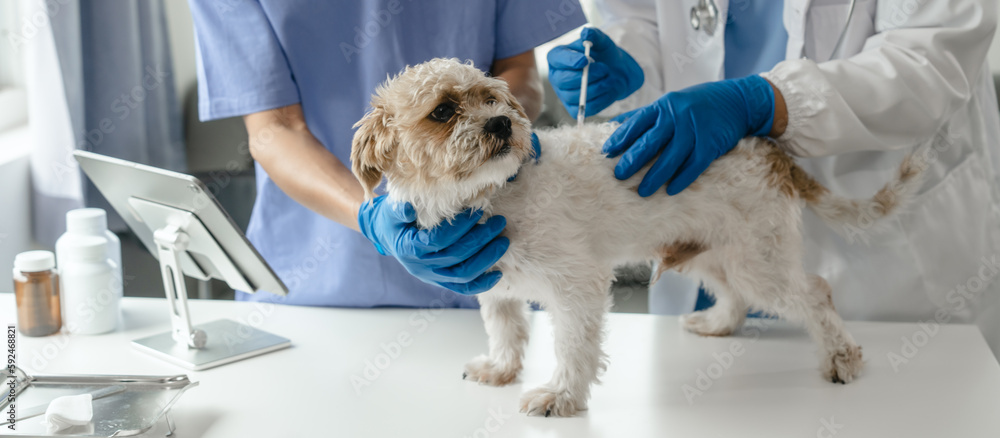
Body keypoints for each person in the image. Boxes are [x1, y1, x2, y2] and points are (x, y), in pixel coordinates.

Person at [548, 0, 1000, 354]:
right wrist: (627, 59)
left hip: (884, 269)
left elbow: (931, 56)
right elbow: (640, 14)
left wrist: (766, 101)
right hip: (705, 224)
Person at [188, 0, 586, 307]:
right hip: (312, 286)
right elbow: (274, 128)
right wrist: (370, 215)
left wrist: (499, 135)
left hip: (486, 263)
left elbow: (518, 71)